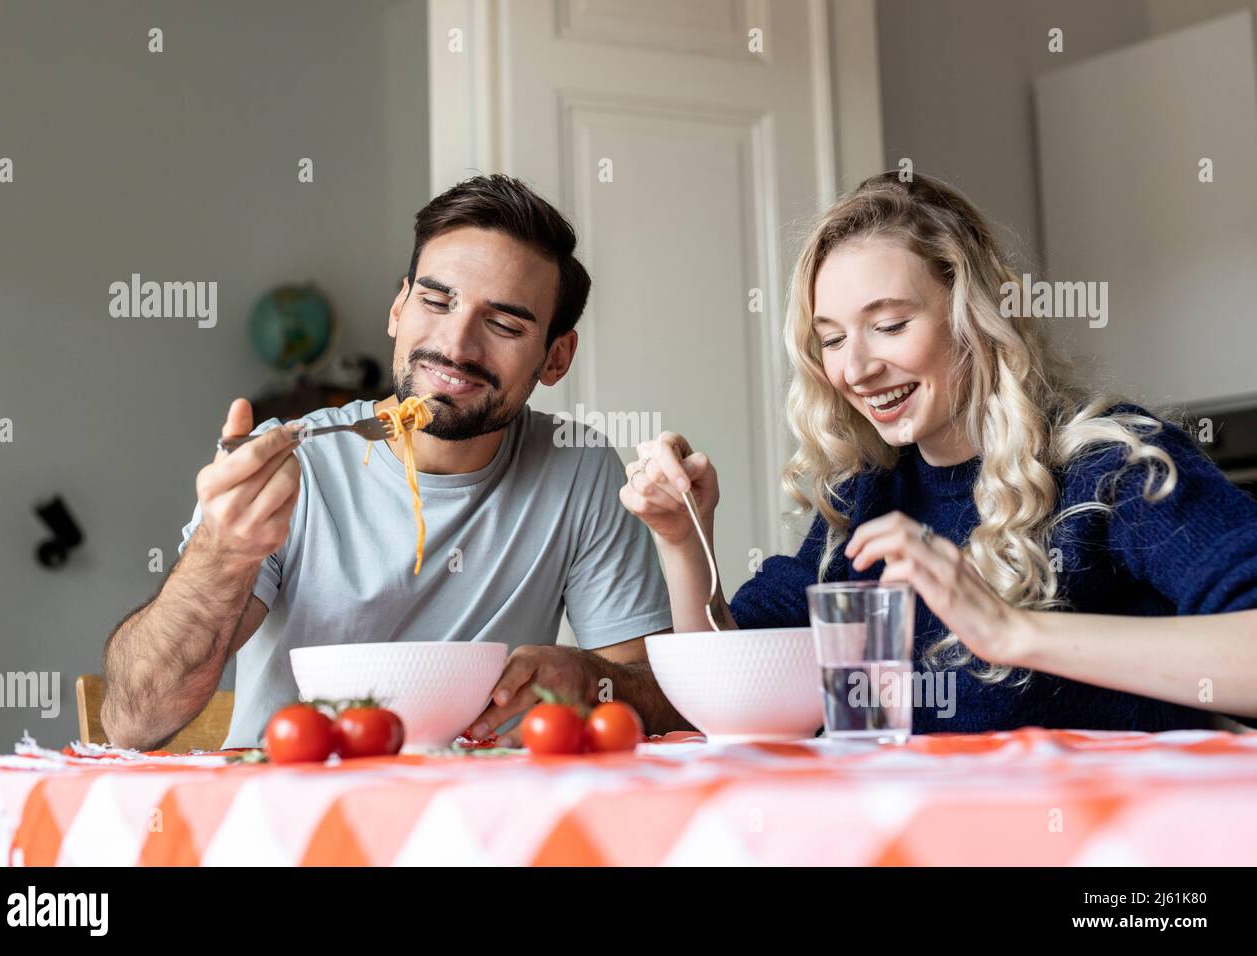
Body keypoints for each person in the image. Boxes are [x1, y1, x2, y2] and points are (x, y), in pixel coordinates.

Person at [620, 171, 1257, 734]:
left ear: (971, 313)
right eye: (833, 339)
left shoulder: (1112, 463)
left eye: (890, 326)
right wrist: (682, 538)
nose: (857, 368)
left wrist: (1013, 632)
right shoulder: (866, 496)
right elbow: (736, 699)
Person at [103, 174, 681, 750]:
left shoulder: (578, 469)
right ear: (398, 309)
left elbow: (662, 698)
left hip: (486, 818)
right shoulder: (292, 462)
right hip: (290, 811)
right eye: (435, 300)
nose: (457, 347)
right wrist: (222, 551)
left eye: (504, 324)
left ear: (556, 357)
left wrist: (588, 677)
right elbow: (136, 721)